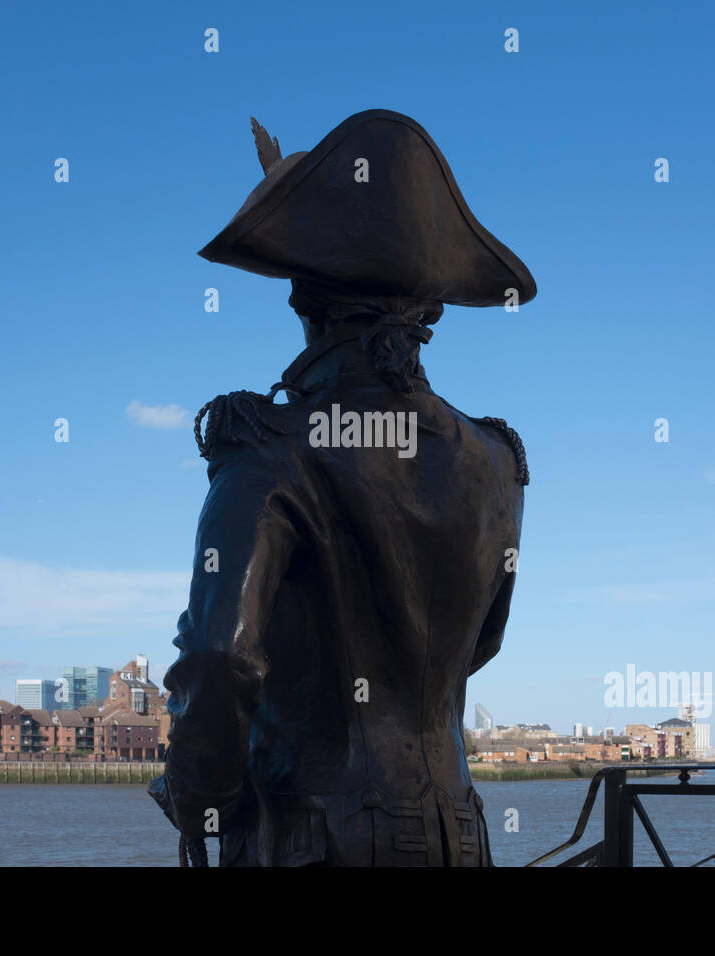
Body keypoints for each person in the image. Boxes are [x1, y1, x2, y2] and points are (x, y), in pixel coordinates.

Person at [148, 109, 535, 866]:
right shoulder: (495, 460)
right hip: (457, 836)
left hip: (309, 842)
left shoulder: (270, 447)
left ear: (305, 300)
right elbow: (478, 645)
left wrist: (208, 811)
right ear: (427, 309)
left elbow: (221, 659)